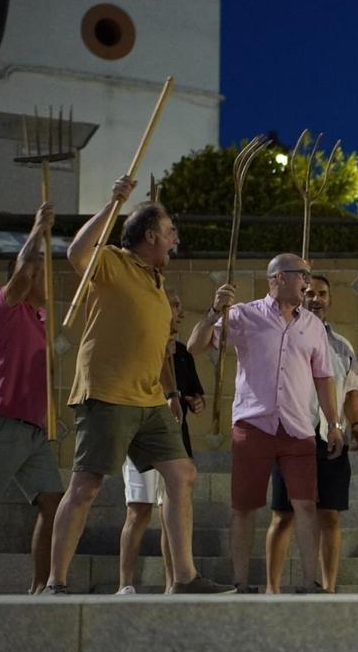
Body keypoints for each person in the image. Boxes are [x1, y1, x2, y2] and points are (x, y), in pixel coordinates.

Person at [48, 179, 230, 595]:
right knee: (86, 485)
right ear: (149, 236)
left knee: (182, 473)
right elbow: (76, 253)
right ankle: (55, 581)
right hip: (107, 392)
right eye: (170, 233)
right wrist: (114, 202)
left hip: (150, 398)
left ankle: (183, 577)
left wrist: (171, 390)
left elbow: (160, 348)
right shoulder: (113, 261)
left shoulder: (156, 280)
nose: (175, 240)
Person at [187, 253, 343, 594]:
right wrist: (215, 311)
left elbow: (324, 378)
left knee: (305, 504)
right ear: (278, 278)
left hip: (298, 427)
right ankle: (241, 583)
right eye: (301, 275)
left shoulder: (312, 325)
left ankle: (309, 581)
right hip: (253, 424)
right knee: (244, 506)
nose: (307, 282)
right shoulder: (244, 314)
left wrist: (334, 423)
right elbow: (194, 346)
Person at [0, 200, 65, 594]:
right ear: (23, 278)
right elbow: (26, 266)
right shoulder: (4, 307)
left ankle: (40, 588)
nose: (46, 278)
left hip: (33, 432)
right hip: (2, 423)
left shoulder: (40, 319)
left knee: (54, 502)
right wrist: (37, 228)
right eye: (39, 273)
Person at [265, 274, 358, 593]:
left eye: (322, 293)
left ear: (330, 299)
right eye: (309, 293)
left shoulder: (342, 346)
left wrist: (357, 424)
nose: (315, 299)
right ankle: (272, 588)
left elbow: (351, 393)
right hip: (292, 436)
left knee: (330, 515)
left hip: (330, 438)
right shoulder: (283, 337)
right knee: (283, 515)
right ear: (299, 296)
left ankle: (329, 587)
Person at [117, 288, 206, 595]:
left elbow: (195, 394)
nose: (179, 311)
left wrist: (194, 402)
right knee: (138, 510)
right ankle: (125, 584)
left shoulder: (181, 351)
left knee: (174, 510)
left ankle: (174, 583)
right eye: (174, 304)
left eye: (180, 305)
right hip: (142, 439)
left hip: (175, 445)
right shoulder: (140, 342)